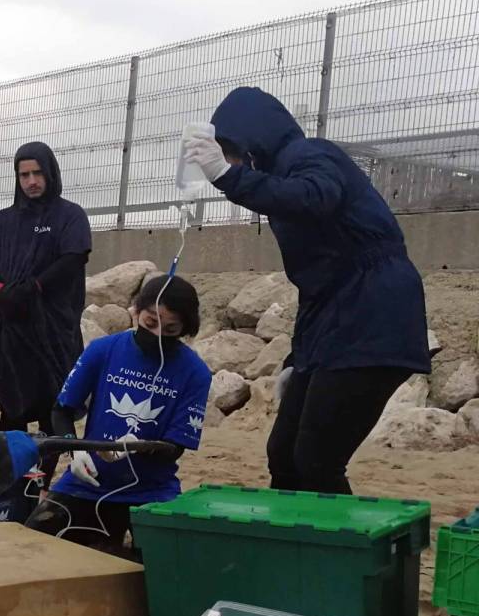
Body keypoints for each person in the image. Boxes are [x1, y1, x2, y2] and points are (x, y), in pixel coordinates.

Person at [184, 87, 430, 495]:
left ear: (252, 142)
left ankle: (339, 538)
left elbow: (315, 196)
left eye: (229, 153)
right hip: (333, 321)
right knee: (283, 455)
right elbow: (317, 286)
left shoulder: (312, 155)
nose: (228, 163)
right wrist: (298, 360)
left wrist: (230, 177)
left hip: (377, 317)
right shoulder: (280, 183)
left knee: (317, 459)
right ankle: (293, 534)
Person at [26, 276, 211, 556]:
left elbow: (175, 447)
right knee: (32, 544)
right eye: (150, 322)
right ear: (136, 312)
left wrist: (137, 447)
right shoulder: (104, 350)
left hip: (153, 491)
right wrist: (76, 450)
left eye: (171, 329)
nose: (158, 334)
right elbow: (61, 410)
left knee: (169, 565)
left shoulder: (195, 372)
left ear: (186, 328)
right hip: (89, 481)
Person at [0, 141, 93, 486]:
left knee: (53, 408)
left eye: (37, 173)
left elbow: (73, 258)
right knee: (11, 407)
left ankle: (44, 484)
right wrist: (2, 293)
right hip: (10, 331)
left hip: (54, 331)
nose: (31, 181)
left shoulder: (70, 216)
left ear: (50, 173)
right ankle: (14, 485)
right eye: (24, 174)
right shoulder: (4, 221)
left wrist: (35, 287)